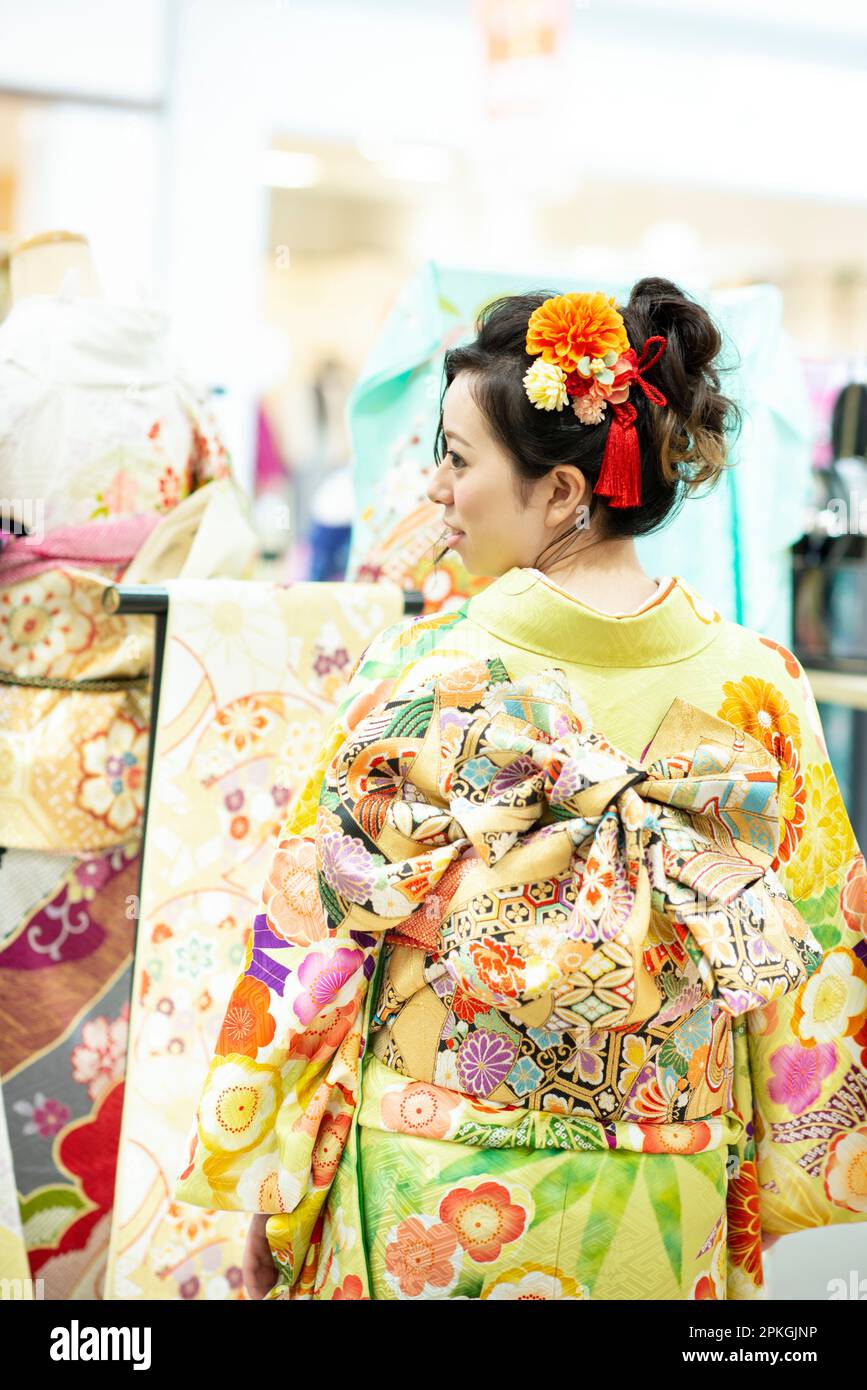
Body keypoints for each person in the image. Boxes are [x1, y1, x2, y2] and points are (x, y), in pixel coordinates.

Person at [174, 278, 867, 1300]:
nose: (435, 491)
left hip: (433, 1176)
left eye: (456, 459)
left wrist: (267, 1176)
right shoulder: (759, 683)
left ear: (562, 493)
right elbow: (817, 964)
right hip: (660, 1186)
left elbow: (315, 945)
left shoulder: (422, 670)